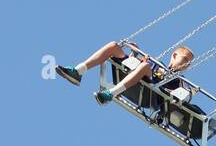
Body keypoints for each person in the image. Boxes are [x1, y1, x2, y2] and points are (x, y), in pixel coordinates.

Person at [55, 42, 195, 104]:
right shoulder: (155, 63)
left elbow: (182, 96)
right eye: (185, 59)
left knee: (145, 66)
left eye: (188, 64)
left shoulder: (179, 81)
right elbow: (137, 63)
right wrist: (134, 53)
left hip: (149, 96)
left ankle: (111, 94)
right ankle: (79, 71)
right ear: (175, 55)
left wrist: (188, 93)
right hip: (133, 79)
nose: (186, 64)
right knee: (113, 46)